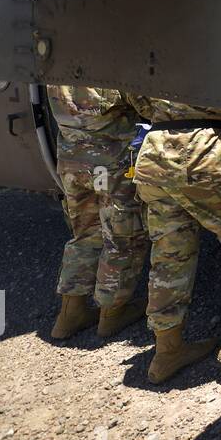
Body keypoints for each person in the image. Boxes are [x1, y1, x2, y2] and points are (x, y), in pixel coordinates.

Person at [127, 98, 221, 384]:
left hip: (154, 153)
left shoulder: (153, 53)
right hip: (206, 152)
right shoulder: (213, 51)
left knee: (169, 255)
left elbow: (138, 99)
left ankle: (167, 351)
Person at [47, 86, 149, 340]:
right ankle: (112, 314)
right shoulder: (106, 65)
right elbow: (146, 105)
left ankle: (70, 314)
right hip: (109, 162)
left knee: (85, 233)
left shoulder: (58, 69)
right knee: (122, 236)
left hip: (71, 160)